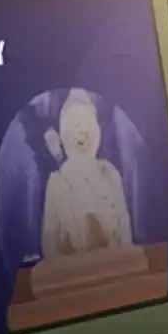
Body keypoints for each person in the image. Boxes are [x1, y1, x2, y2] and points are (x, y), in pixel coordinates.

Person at [40, 89, 133, 257]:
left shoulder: (109, 174)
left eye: (86, 122)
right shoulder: (57, 184)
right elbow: (50, 247)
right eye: (74, 123)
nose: (81, 129)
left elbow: (125, 233)